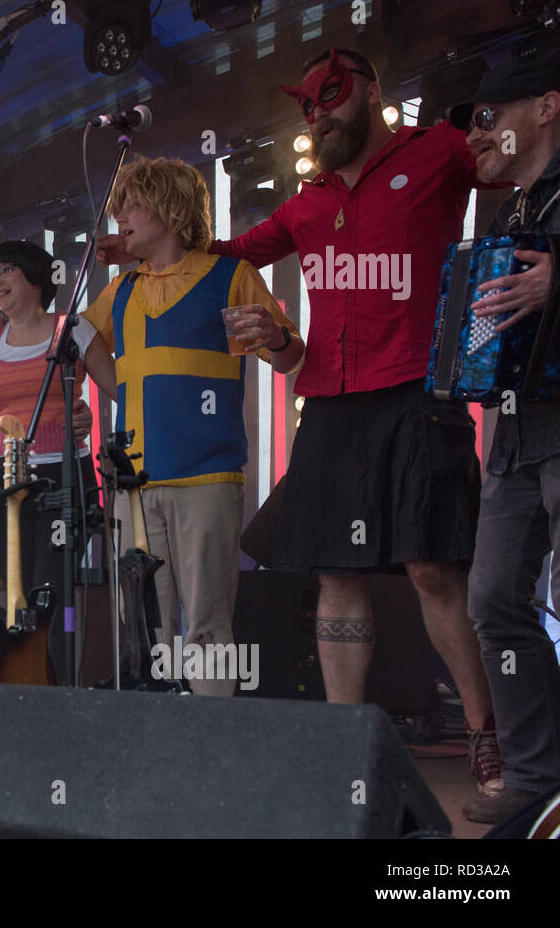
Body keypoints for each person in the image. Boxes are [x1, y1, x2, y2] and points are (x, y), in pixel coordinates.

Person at [98, 46, 501, 798]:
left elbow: (515, 162)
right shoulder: (307, 202)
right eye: (307, 105)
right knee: (336, 573)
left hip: (419, 387)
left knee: (431, 571)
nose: (317, 112)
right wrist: (146, 242)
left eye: (332, 95)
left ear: (373, 91)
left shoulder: (440, 150)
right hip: (334, 398)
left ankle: (486, 735)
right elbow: (226, 248)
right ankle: (347, 743)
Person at [85, 156, 304, 695]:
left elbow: (289, 356)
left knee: (207, 625)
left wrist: (275, 338)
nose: (123, 219)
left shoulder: (231, 277)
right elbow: (77, 339)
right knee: (144, 630)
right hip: (135, 483)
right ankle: (159, 755)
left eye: (132, 205)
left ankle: (211, 753)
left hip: (208, 478)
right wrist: (129, 393)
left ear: (171, 208)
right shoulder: (123, 289)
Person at [453, 51, 560, 823]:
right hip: (515, 430)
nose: (475, 137)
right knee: (492, 595)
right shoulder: (506, 217)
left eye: (488, 119)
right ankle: (535, 774)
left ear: (547, 107)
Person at [0, 241, 117, 686]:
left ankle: (53, 702)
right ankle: (22, 700)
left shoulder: (73, 331)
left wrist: (91, 414)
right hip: (4, 480)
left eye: (6, 271)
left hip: (62, 475)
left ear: (35, 278)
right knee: (14, 596)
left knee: (50, 594)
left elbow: (124, 391)